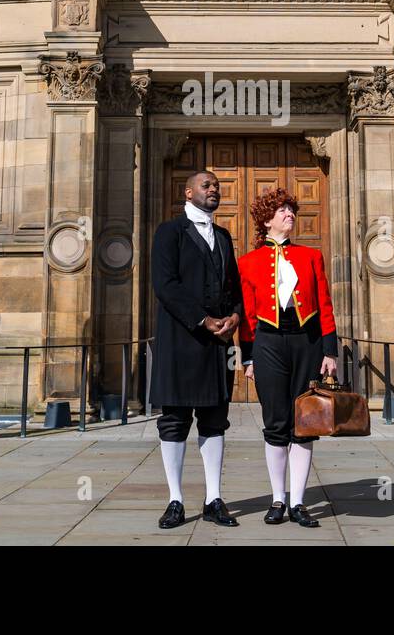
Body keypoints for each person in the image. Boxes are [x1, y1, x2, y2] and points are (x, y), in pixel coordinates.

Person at [237, 188, 338, 527]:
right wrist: (248, 359)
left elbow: (324, 304)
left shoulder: (311, 256)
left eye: (291, 210)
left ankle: (298, 502)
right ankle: (277, 499)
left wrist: (329, 351)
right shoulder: (248, 262)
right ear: (267, 219)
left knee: (305, 423)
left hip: (306, 343)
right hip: (267, 345)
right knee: (276, 423)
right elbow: (248, 315)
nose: (290, 215)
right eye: (282, 210)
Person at [150, 170, 243, 529]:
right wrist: (202, 320)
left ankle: (213, 499)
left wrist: (234, 316)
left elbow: (232, 285)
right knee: (174, 421)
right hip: (180, 341)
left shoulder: (223, 236)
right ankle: (175, 499)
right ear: (188, 192)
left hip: (218, 345)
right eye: (207, 185)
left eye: (217, 186)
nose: (214, 190)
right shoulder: (169, 232)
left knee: (215, 421)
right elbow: (165, 284)